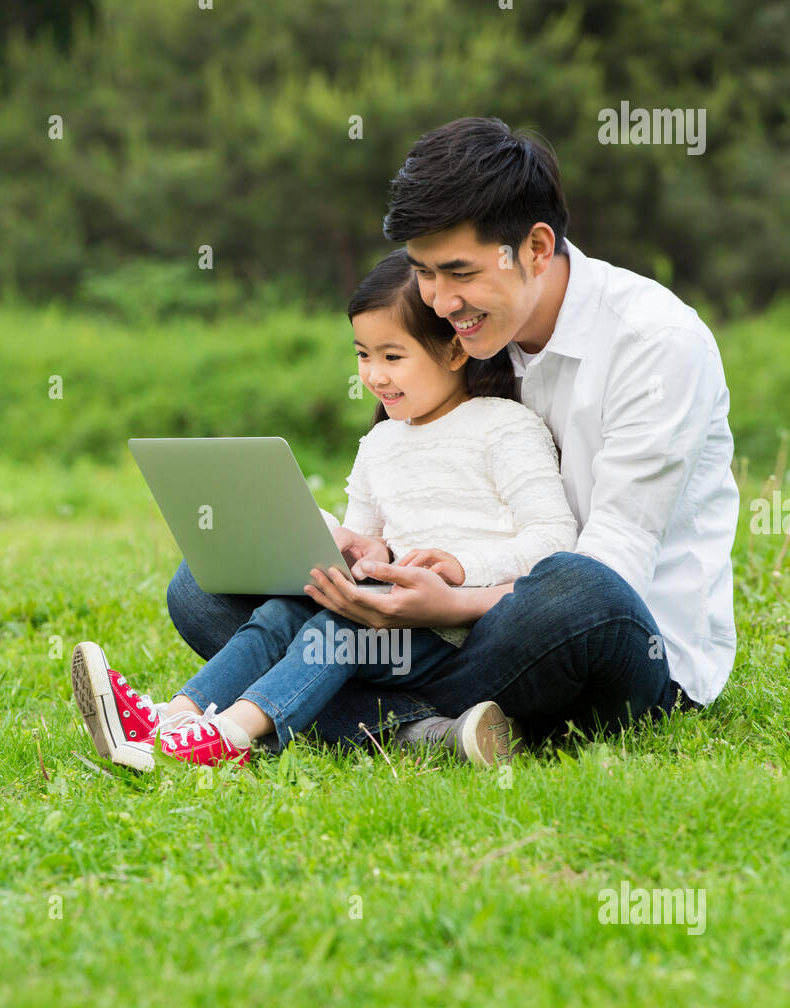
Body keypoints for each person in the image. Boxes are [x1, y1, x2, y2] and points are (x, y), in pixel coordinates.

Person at [167, 117, 739, 753]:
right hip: (441, 641)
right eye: (423, 273)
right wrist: (363, 553)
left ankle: (372, 717)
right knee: (204, 589)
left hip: (600, 642)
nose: (439, 302)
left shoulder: (656, 345)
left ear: (537, 248)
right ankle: (434, 732)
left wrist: (451, 604)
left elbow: (616, 569)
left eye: (458, 273)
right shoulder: (467, 337)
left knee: (574, 587)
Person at [71, 249, 576, 771]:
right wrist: (356, 547)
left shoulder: (506, 427)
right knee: (283, 614)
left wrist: (462, 569)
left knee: (334, 632)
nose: (375, 375)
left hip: (460, 631)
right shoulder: (380, 443)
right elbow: (368, 542)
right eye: (363, 355)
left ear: (454, 351)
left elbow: (556, 539)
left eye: (393, 356)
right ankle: (171, 721)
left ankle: (228, 739)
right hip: (388, 615)